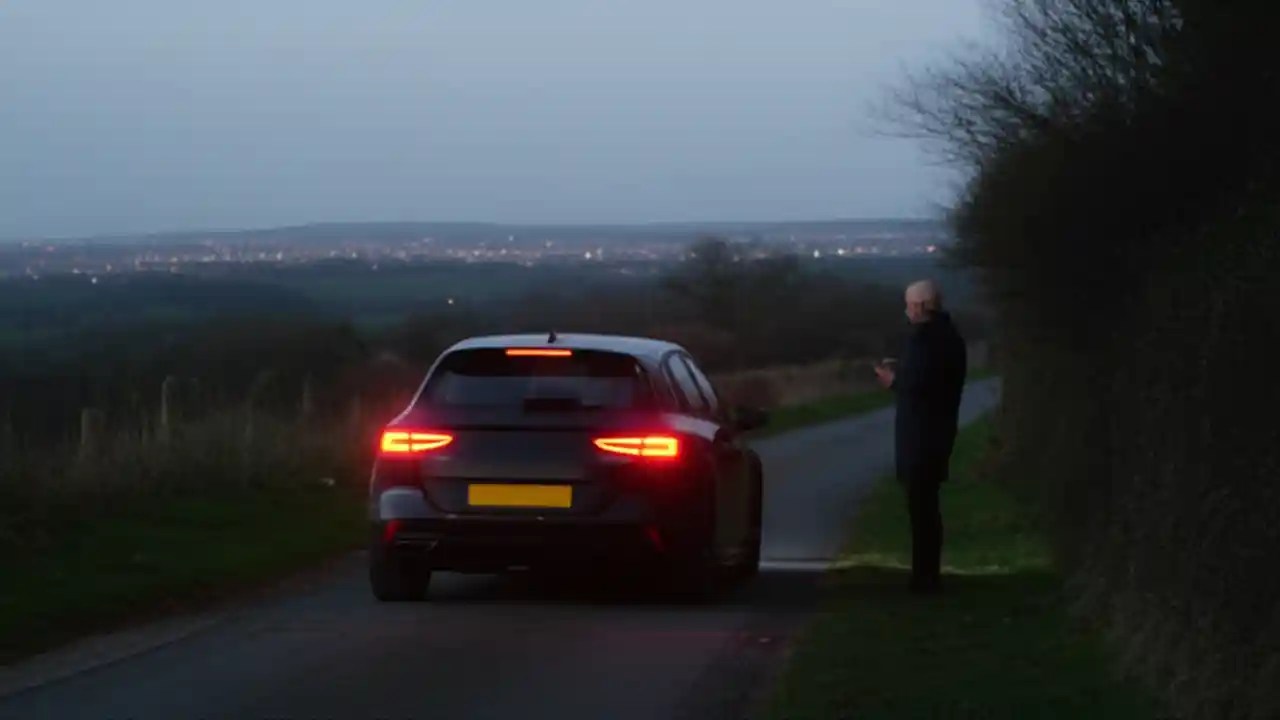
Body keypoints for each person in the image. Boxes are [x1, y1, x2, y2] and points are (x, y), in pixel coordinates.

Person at [874, 280, 967, 594]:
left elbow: (921, 385)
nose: (907, 311)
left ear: (920, 306)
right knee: (924, 506)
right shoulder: (948, 338)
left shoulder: (927, 340)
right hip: (936, 432)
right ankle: (926, 574)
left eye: (909, 305)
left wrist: (893, 381)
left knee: (922, 508)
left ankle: (925, 578)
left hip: (923, 435)